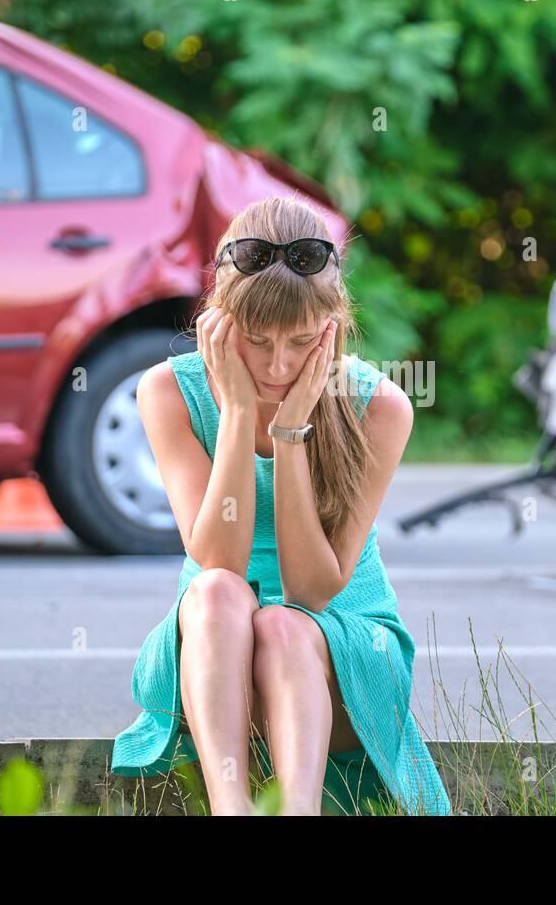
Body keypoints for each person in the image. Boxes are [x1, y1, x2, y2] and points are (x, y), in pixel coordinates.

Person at [110, 195, 452, 816]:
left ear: (331, 322)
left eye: (299, 341)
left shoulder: (378, 406)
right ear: (219, 318)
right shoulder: (168, 391)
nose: (278, 364)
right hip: (217, 665)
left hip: (339, 666)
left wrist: (291, 433)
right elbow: (217, 558)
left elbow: (312, 592)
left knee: (284, 625)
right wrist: (240, 414)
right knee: (216, 593)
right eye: (257, 340)